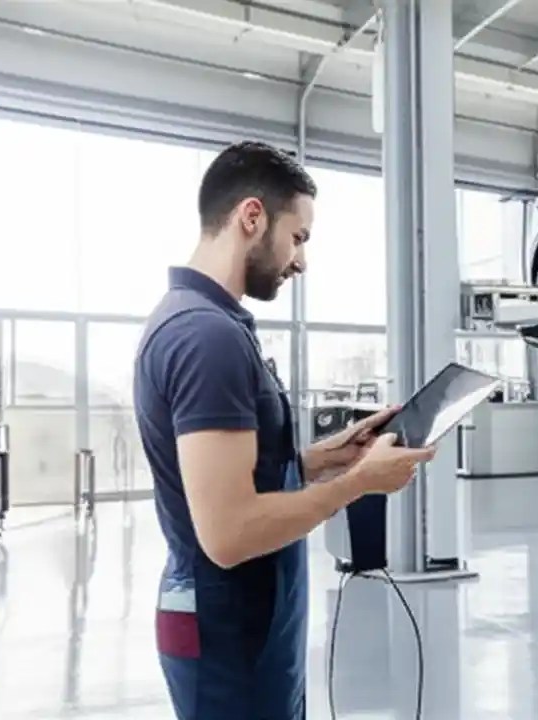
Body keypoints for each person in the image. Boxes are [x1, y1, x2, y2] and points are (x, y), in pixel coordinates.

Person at [132, 140, 434, 720]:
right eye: (298, 238)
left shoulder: (210, 323)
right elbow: (228, 532)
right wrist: (359, 484)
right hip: (229, 635)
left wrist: (322, 460)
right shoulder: (204, 336)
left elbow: (232, 473)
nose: (301, 261)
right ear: (252, 216)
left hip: (247, 629)